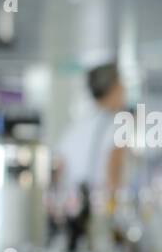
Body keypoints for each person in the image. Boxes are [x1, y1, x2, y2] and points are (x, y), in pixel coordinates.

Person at [53, 62, 130, 209]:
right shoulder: (116, 127)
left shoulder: (73, 128)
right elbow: (113, 180)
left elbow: (57, 171)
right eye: (121, 84)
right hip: (99, 213)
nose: (124, 90)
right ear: (113, 88)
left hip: (72, 212)